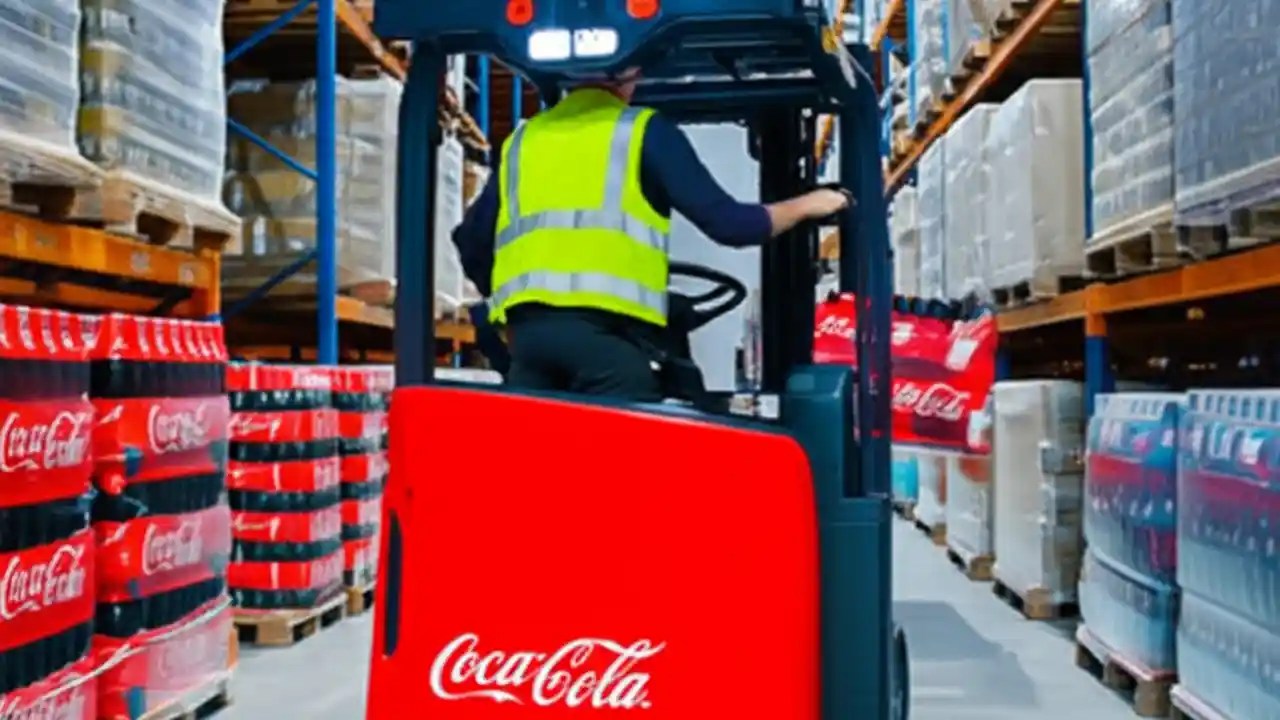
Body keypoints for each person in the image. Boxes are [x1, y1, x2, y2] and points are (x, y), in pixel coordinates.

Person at [451, 69, 849, 402]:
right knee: (637, 463)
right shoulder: (642, 131)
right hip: (607, 349)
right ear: (632, 76)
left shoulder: (523, 141)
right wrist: (810, 204)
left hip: (529, 348)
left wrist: (514, 305)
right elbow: (731, 224)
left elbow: (471, 244)